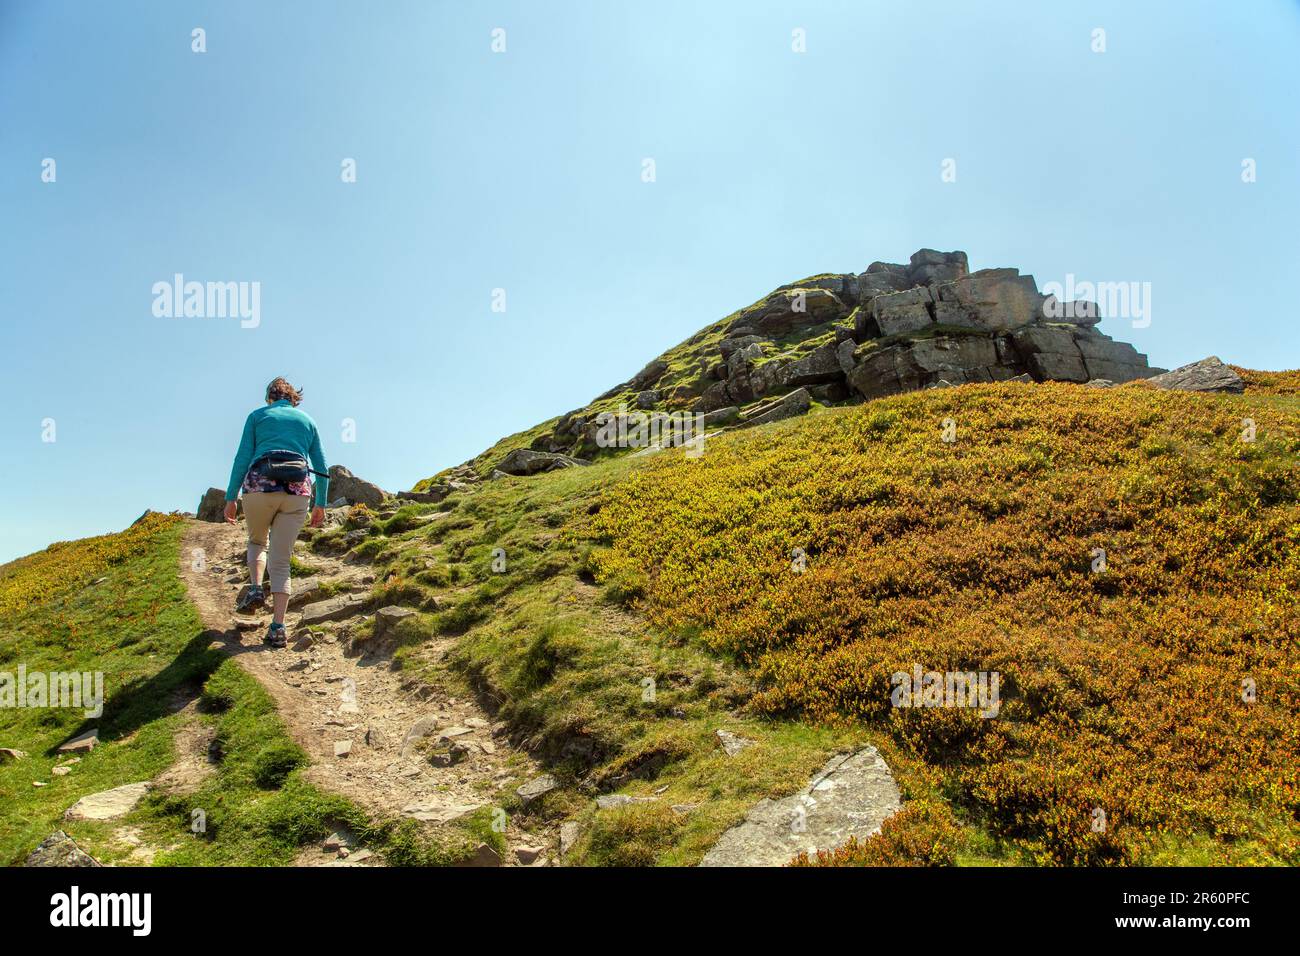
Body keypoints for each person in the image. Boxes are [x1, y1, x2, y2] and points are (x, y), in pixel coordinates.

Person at [223, 377, 328, 648]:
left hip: (259, 486)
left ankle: (256, 588)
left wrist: (230, 497)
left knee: (258, 541)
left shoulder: (257, 416)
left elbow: (241, 458)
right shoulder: (307, 421)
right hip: (297, 492)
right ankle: (278, 628)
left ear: (270, 397)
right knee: (281, 560)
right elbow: (322, 465)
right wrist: (321, 504)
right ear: (294, 398)